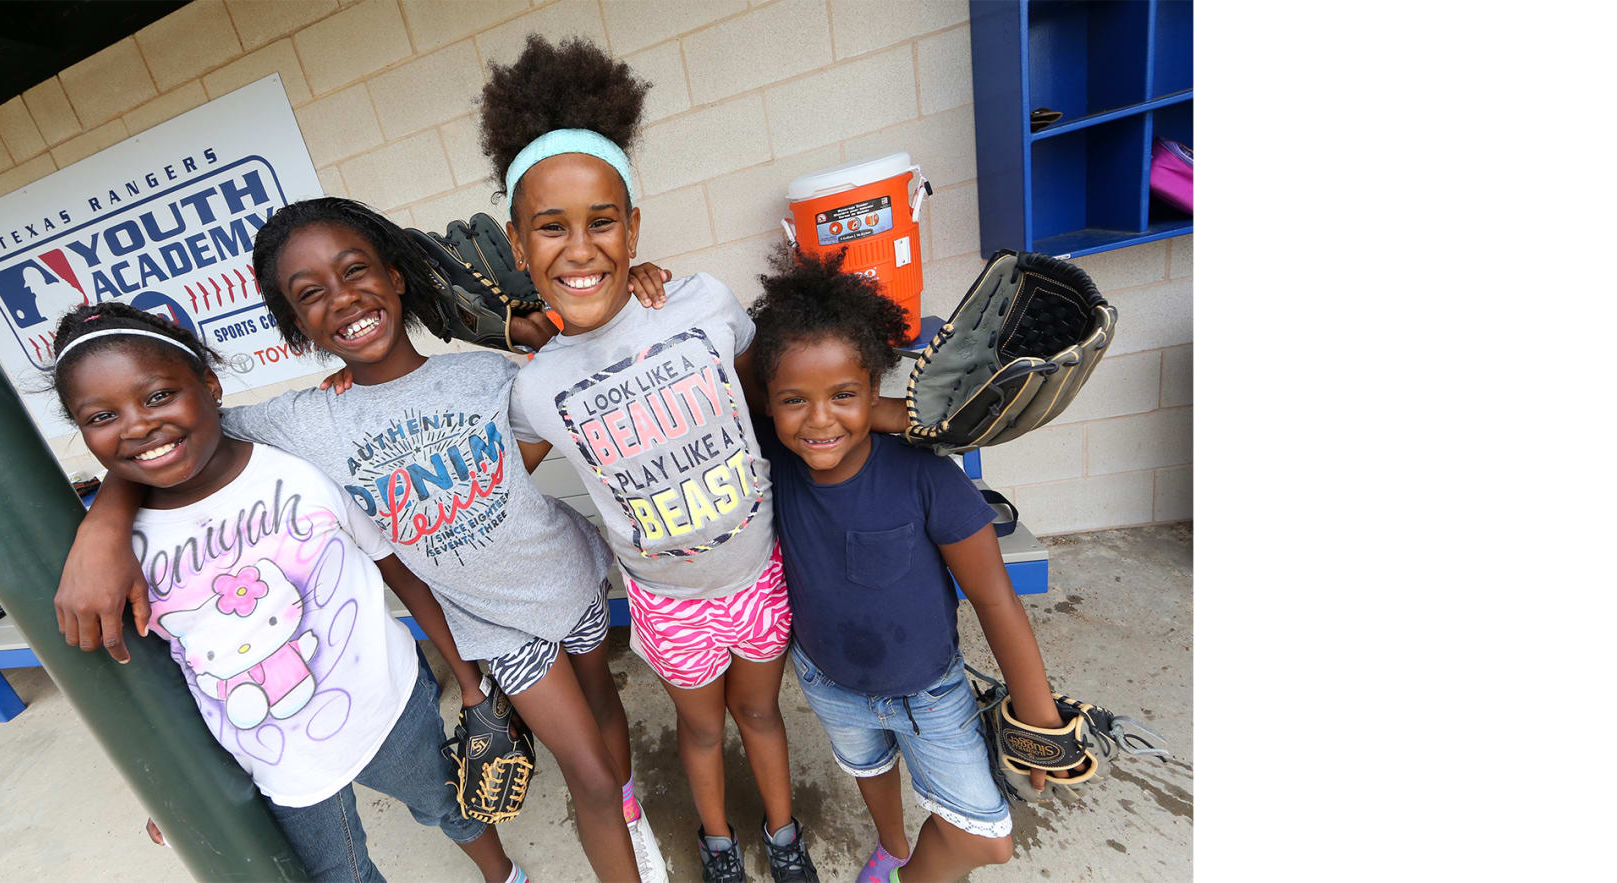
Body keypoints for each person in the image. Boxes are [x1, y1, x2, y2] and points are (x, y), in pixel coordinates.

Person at [54, 198, 679, 882]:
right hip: (493, 623)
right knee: (584, 770)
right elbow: (169, 432)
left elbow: (580, 391)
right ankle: (616, 826)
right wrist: (104, 521)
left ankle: (628, 811)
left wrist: (627, 288)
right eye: (310, 293)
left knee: (603, 710)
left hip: (569, 573)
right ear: (295, 322)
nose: (343, 297)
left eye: (356, 270)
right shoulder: (301, 420)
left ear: (398, 275)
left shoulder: (488, 375)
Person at [478, 34, 911, 883]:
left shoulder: (701, 303)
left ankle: (781, 834)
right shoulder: (536, 389)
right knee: (703, 727)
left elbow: (776, 398)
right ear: (518, 242)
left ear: (632, 227)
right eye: (551, 229)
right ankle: (718, 842)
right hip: (668, 602)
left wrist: (897, 417)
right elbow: (490, 487)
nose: (581, 248)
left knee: (760, 712)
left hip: (757, 575)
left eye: (603, 222)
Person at [44, 302, 523, 883]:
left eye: (156, 397)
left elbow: (400, 571)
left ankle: (503, 875)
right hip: (274, 760)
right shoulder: (116, 556)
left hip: (388, 710)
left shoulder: (297, 469)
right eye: (100, 416)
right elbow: (150, 685)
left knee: (449, 803)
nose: (138, 425)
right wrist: (168, 790)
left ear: (210, 385)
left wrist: (469, 682)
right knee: (337, 875)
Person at [745, 245, 1069, 883]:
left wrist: (1039, 716)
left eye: (844, 394)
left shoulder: (926, 476)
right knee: (868, 769)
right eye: (794, 401)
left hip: (930, 694)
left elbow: (995, 599)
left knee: (987, 841)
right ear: (770, 403)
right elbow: (728, 369)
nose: (819, 420)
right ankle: (892, 846)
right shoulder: (774, 459)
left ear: (876, 387)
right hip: (829, 682)